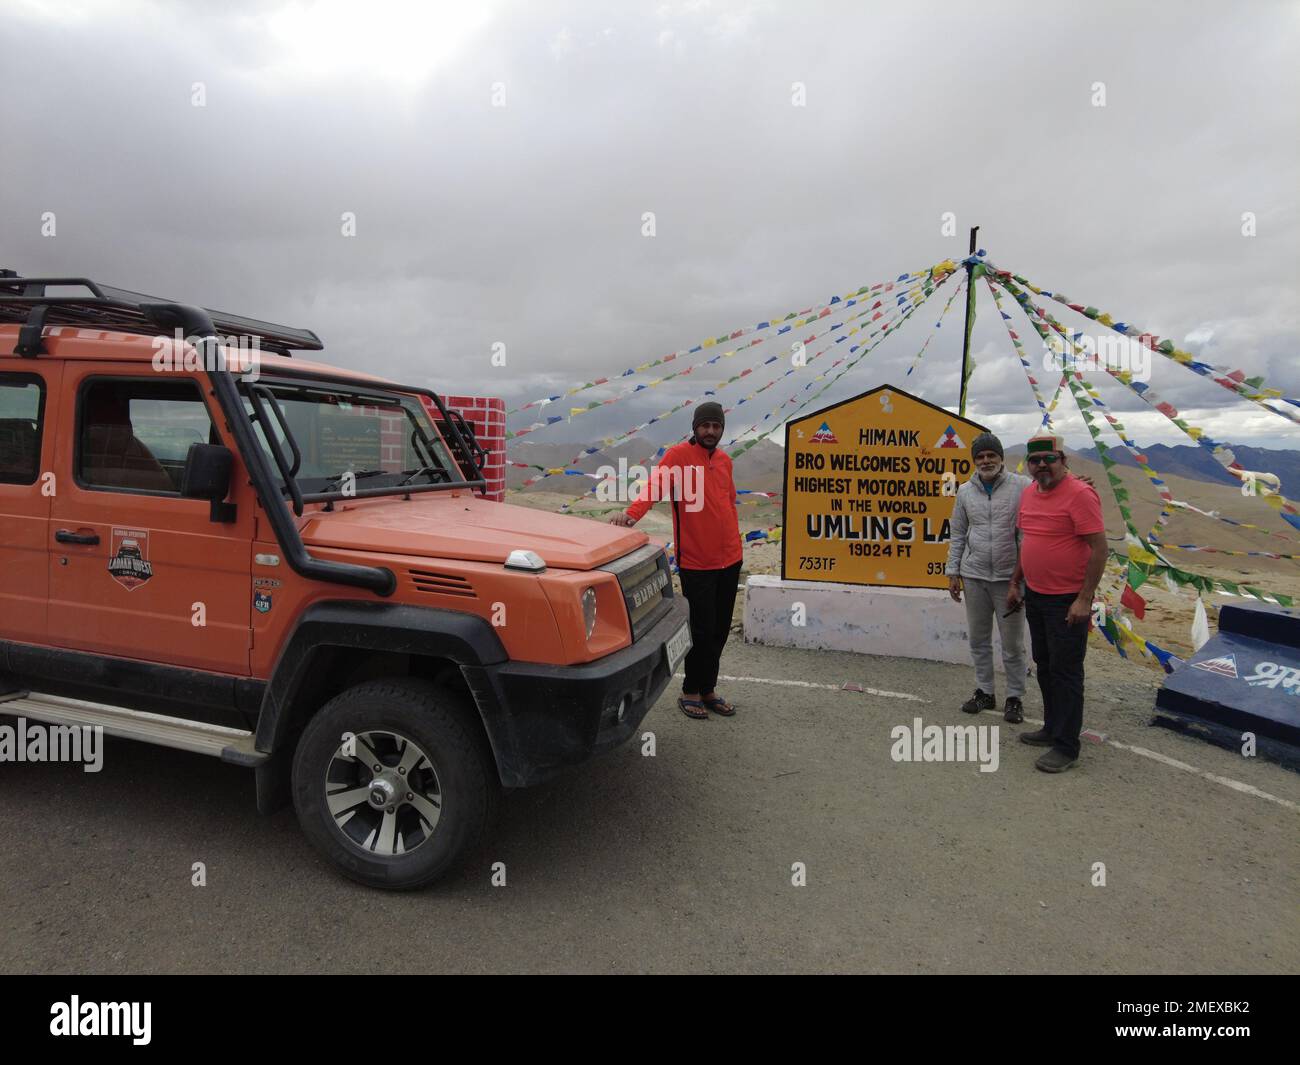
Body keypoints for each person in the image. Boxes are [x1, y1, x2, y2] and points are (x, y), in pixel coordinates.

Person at [610, 402, 743, 720]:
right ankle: (690, 691)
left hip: (731, 559)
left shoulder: (725, 460)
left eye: (716, 426)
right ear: (695, 427)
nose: (711, 431)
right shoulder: (677, 457)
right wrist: (630, 515)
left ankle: (709, 690)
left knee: (720, 630)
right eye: (705, 425)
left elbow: (729, 503)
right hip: (697, 562)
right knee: (701, 628)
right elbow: (653, 488)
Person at [1006, 433, 1108, 773]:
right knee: (1045, 664)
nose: (1041, 466)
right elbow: (1029, 542)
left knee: (1066, 672)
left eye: (1049, 459)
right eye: (1035, 461)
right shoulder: (1029, 494)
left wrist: (1084, 598)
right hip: (1035, 594)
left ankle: (1067, 746)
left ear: (1063, 460)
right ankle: (1051, 728)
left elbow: (1098, 548)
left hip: (1068, 600)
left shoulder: (1080, 494)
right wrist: (1016, 581)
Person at [945, 432, 1030, 723]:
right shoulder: (965, 492)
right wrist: (952, 571)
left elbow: (1030, 529)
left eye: (991, 455)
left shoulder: (1023, 487)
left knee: (1013, 644)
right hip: (974, 576)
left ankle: (1015, 697)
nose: (985, 461)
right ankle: (985, 691)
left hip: (1010, 580)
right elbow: (957, 533)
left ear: (1001, 457)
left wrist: (1021, 580)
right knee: (979, 639)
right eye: (980, 457)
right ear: (974, 461)